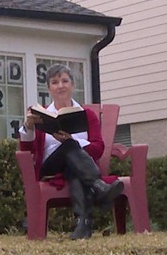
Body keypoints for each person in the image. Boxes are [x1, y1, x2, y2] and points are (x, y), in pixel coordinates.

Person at [19, 64, 123, 239]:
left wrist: (73, 141)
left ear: (73, 85)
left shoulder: (87, 115)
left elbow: (98, 149)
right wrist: (28, 127)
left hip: (77, 168)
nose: (61, 85)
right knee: (68, 146)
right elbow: (27, 150)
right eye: (55, 82)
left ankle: (83, 225)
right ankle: (98, 186)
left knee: (73, 166)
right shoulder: (41, 115)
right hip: (50, 168)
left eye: (65, 81)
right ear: (49, 88)